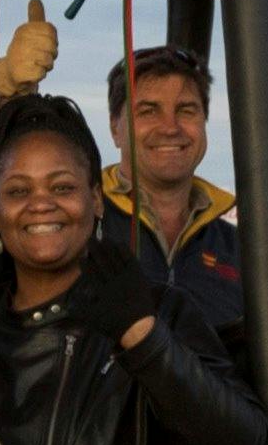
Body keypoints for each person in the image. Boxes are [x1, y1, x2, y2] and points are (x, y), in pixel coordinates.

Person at [0, 92, 264, 445]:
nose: (41, 204)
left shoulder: (160, 312)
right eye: (19, 191)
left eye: (62, 188)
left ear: (96, 200)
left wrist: (144, 338)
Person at [104, 50, 251, 345]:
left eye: (186, 110)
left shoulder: (240, 248)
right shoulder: (78, 225)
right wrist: (12, 97)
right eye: (148, 111)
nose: (170, 127)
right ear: (114, 130)